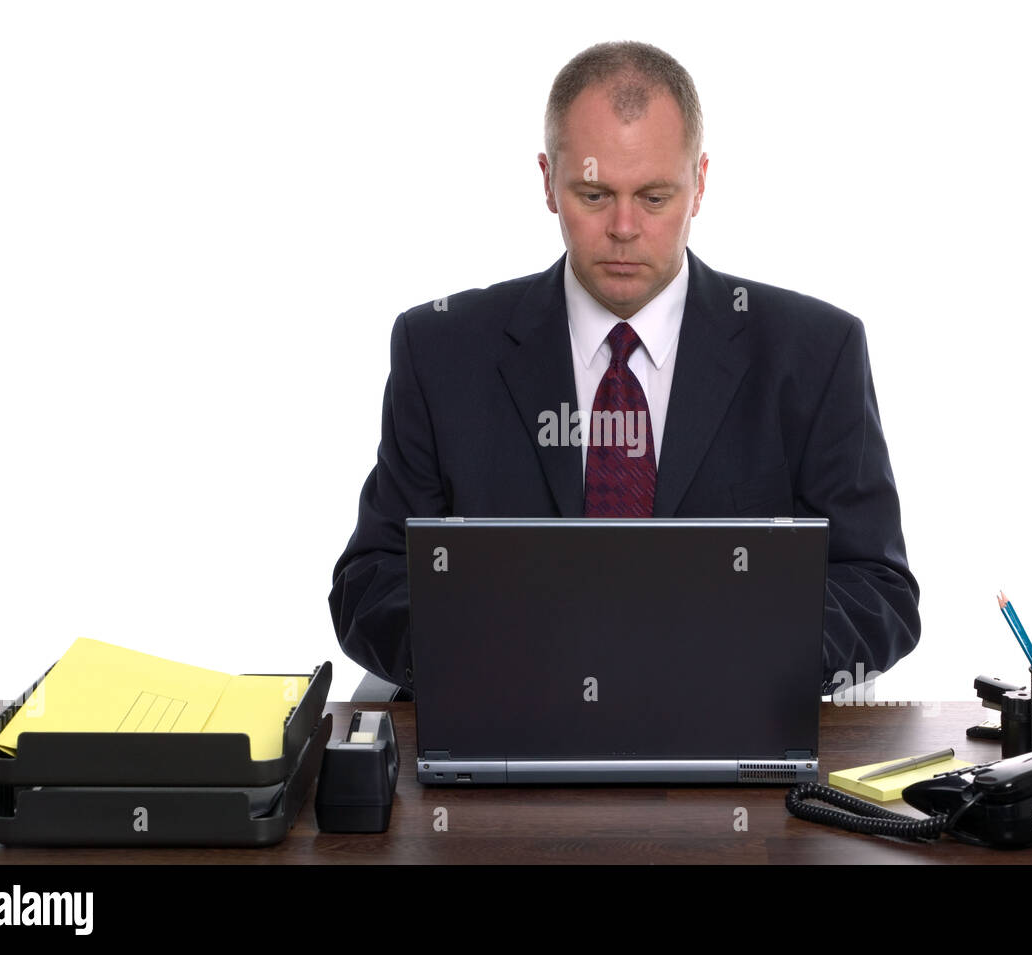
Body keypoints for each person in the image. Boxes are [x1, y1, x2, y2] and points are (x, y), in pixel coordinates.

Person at [329, 41, 919, 697]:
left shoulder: (816, 352)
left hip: (728, 729)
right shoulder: (440, 349)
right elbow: (370, 582)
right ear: (549, 181)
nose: (624, 227)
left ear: (700, 183)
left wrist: (719, 656)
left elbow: (878, 590)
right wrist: (496, 658)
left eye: (655, 196)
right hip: (506, 726)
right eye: (594, 193)